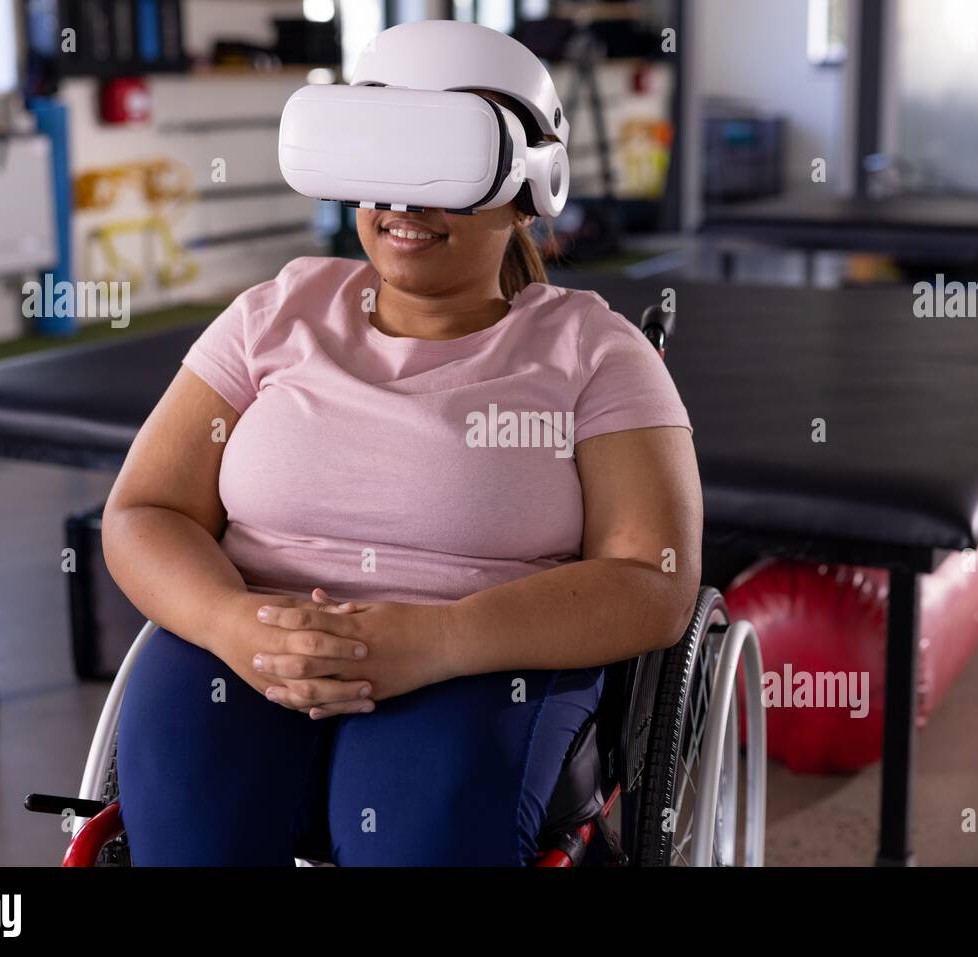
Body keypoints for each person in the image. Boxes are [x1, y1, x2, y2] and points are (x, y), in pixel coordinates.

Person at [102, 23, 700, 867]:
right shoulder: (275, 312)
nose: (404, 202)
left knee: (419, 839)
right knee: (194, 828)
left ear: (530, 186)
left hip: (484, 656)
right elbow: (144, 508)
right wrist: (232, 621)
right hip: (249, 639)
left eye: (445, 168)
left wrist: (440, 640)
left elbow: (654, 582)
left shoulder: (593, 353)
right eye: (383, 162)